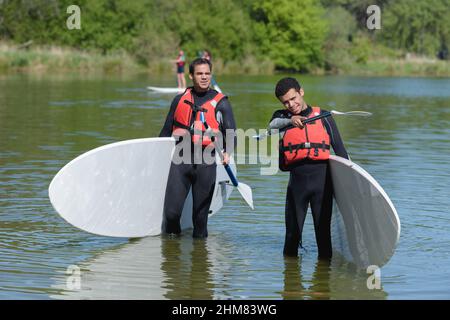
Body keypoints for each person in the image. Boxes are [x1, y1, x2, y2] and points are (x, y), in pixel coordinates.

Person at [268, 77, 349, 259]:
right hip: (297, 186)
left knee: (323, 237)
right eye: (286, 102)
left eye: (293, 98)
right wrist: (291, 120)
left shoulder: (324, 116)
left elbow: (341, 151)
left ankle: (323, 283)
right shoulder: (281, 118)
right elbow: (272, 126)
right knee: (291, 237)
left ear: (301, 92)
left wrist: (350, 184)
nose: (291, 104)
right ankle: (290, 282)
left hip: (323, 185)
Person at [159, 58, 237, 238]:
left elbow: (231, 134)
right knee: (171, 215)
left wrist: (227, 152)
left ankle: (200, 263)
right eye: (200, 73)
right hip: (181, 160)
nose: (204, 77)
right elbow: (165, 131)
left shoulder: (221, 103)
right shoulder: (179, 100)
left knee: (200, 219)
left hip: (206, 162)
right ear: (191, 76)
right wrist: (155, 157)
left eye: (207, 73)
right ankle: (173, 258)